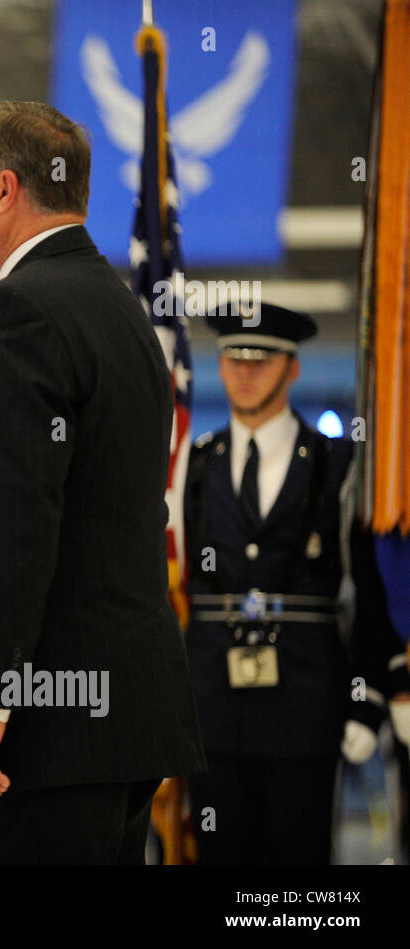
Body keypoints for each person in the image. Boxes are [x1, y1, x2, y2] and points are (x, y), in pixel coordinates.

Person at [0, 101, 206, 864]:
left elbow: (10, 527)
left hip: (32, 746)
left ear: (4, 191)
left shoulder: (23, 314)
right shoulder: (117, 307)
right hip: (113, 723)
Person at [184, 303, 385, 864]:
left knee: (296, 882)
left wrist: (365, 698)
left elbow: (368, 588)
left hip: (306, 703)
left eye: (262, 359)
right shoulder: (196, 464)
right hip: (212, 708)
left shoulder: (338, 463)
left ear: (292, 368)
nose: (245, 372)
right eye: (233, 358)